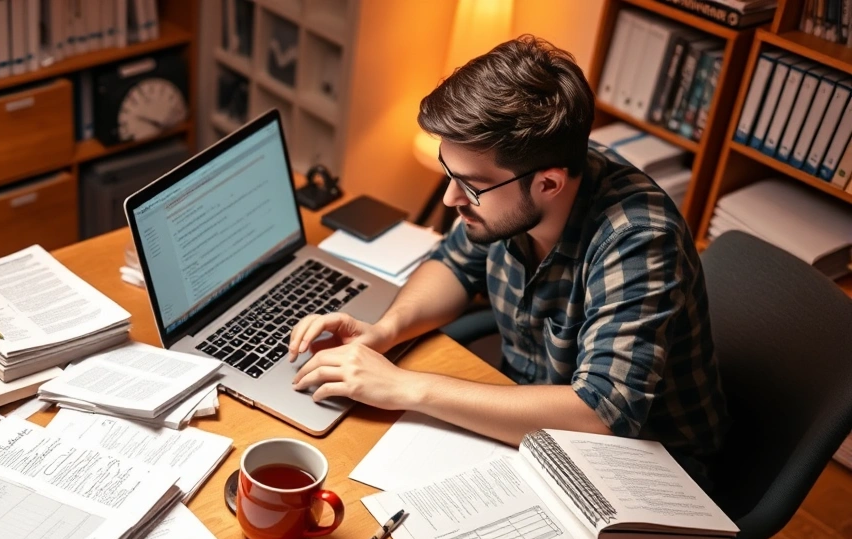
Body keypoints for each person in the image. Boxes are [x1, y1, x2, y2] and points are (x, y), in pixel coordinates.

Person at [288, 35, 727, 484]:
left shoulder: (638, 237)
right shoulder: (515, 186)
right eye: (448, 171)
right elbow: (454, 264)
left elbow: (602, 413)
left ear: (549, 185)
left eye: (471, 186)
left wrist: (404, 387)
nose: (450, 197)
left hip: (645, 467)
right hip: (532, 423)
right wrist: (385, 331)